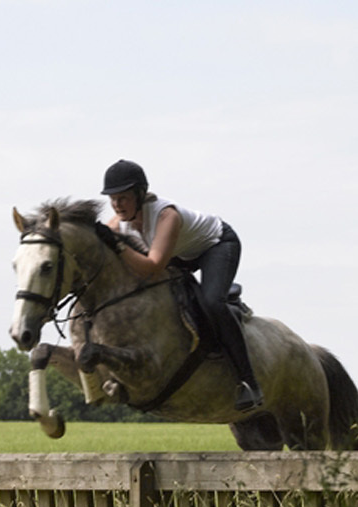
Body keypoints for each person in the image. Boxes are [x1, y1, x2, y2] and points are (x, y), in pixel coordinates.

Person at [100, 159, 264, 412]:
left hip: (216, 246)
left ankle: (249, 382)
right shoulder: (117, 222)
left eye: (123, 198)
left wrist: (118, 246)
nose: (117, 204)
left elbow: (153, 266)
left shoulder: (167, 216)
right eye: (113, 199)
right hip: (180, 253)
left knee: (212, 302)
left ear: (140, 194)